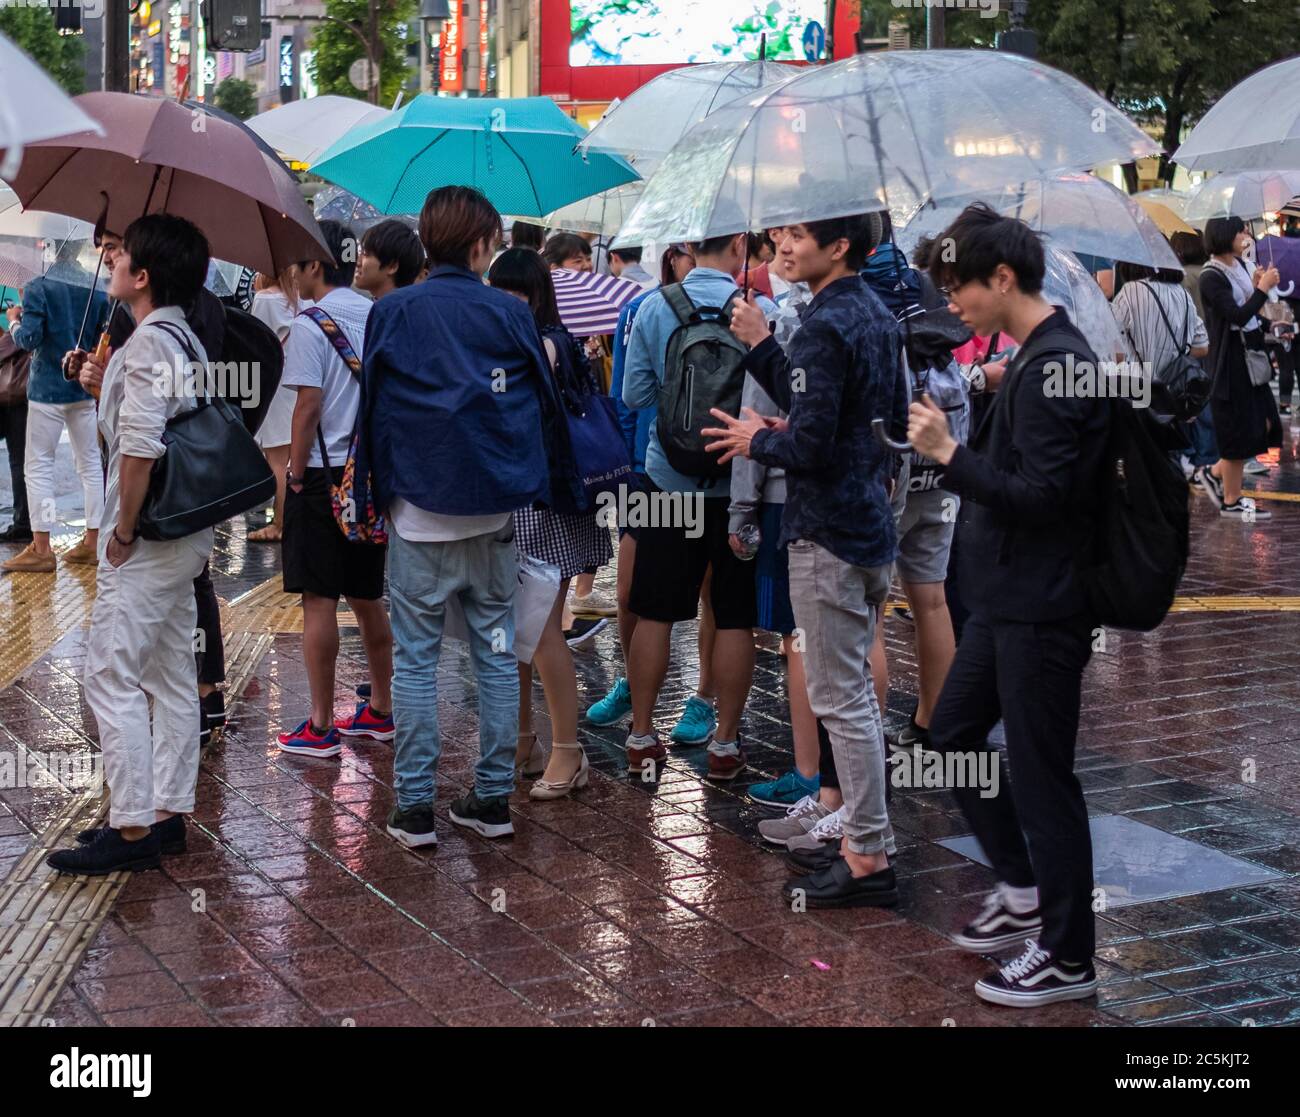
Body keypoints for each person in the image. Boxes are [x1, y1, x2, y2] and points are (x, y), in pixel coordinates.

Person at [910, 202, 1108, 1007]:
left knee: (1041, 776)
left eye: (959, 288)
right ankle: (1022, 888)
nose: (950, 303)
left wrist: (950, 453)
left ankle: (1067, 953)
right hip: (1005, 599)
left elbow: (1043, 495)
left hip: (1042, 604)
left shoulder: (1058, 361)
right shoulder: (1032, 356)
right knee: (951, 730)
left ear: (1003, 278)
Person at [358, 185, 576, 846]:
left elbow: (373, 410)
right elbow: (546, 407)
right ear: (483, 246)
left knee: (417, 662)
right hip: (494, 512)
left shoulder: (394, 311)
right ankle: (490, 800)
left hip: (418, 512)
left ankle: (417, 808)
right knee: (497, 651)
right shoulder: (508, 313)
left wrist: (373, 497)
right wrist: (557, 493)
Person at [706, 213, 906, 907]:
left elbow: (812, 443)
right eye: (778, 235)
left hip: (828, 530)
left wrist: (758, 440)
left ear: (839, 245)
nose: (780, 247)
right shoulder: (874, 312)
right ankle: (860, 832)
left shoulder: (824, 321)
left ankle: (867, 851)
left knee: (839, 696)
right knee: (850, 693)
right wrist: (768, 361)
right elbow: (861, 418)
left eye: (796, 235)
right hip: (869, 520)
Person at [45, 214, 215, 875]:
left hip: (146, 536)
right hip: (184, 532)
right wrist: (99, 383)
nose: (110, 261)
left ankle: (134, 825)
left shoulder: (147, 345)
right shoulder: (182, 337)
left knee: (109, 673)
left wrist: (120, 532)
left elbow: (142, 447)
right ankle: (166, 811)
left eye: (121, 256)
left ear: (142, 277)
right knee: (170, 674)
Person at [620, 224, 774, 779]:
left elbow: (634, 396)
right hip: (737, 489)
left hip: (669, 484)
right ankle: (726, 747)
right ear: (740, 248)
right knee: (734, 618)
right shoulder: (759, 312)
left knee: (657, 613)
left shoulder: (653, 307)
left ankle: (641, 737)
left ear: (687, 248)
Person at [488, 248, 611, 798]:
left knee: (540, 632)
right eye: (499, 289)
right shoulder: (524, 341)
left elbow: (510, 409)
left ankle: (568, 750)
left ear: (534, 294)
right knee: (516, 630)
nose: (505, 300)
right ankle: (524, 740)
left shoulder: (545, 345)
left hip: (550, 505)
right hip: (524, 501)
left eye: (514, 291)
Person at [276, 220, 395, 757]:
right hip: (368, 476)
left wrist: (295, 476)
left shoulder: (309, 324)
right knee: (369, 597)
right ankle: (381, 710)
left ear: (317, 266)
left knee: (318, 599)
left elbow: (307, 407)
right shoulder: (379, 314)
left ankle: (321, 723)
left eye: (296, 265)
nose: (291, 276)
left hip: (323, 474)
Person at [1, 267, 107, 574]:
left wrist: (15, 321)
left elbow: (29, 339)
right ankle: (93, 541)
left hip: (47, 390)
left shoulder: (39, 286)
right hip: (83, 389)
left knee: (39, 469)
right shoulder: (96, 285)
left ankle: (42, 547)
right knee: (89, 465)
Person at [1197, 216, 1282, 520]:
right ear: (1224, 236)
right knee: (1237, 427)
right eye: (1240, 231)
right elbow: (1234, 315)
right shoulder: (1211, 276)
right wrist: (1260, 289)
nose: (1246, 235)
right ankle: (1232, 500)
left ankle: (1214, 471)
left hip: (1250, 355)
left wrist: (1260, 287)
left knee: (1266, 423)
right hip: (1230, 360)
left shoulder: (1241, 266)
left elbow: (1252, 310)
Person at [247, 267, 306, 543]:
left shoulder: (264, 300)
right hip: (297, 380)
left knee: (277, 461)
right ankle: (291, 520)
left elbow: (253, 344)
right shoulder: (300, 298)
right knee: (292, 457)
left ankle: (280, 523)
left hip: (274, 385)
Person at [354, 219, 425, 301]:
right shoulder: (385, 307)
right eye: (360, 252)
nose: (357, 262)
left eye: (366, 254)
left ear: (392, 266)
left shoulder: (395, 311)